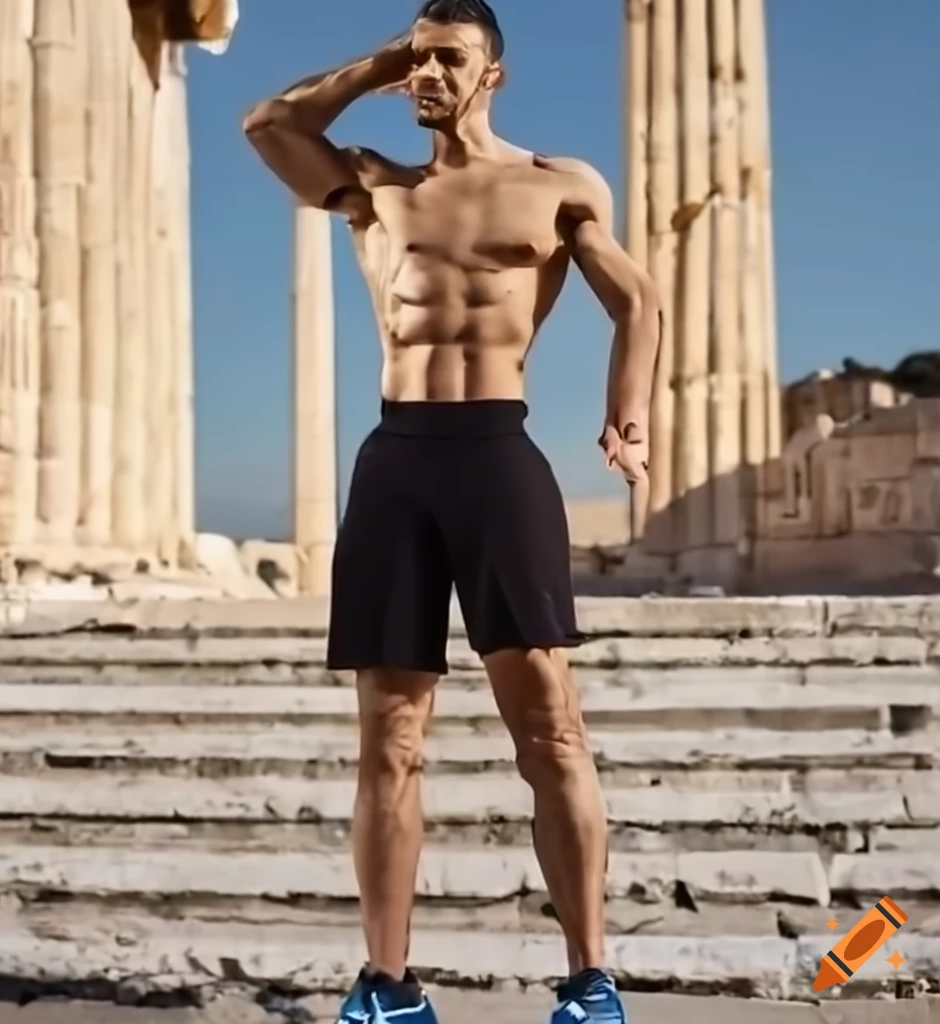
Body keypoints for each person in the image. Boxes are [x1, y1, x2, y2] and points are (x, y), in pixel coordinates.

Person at [243, 1, 660, 1021]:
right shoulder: (374, 188)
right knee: (388, 738)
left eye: (448, 57)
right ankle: (386, 986)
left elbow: (637, 300)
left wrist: (627, 418)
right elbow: (268, 126)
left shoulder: (557, 184)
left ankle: (590, 977)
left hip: (497, 459)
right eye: (417, 58)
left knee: (551, 732)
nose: (429, 72)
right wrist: (383, 57)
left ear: (494, 74)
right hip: (396, 460)